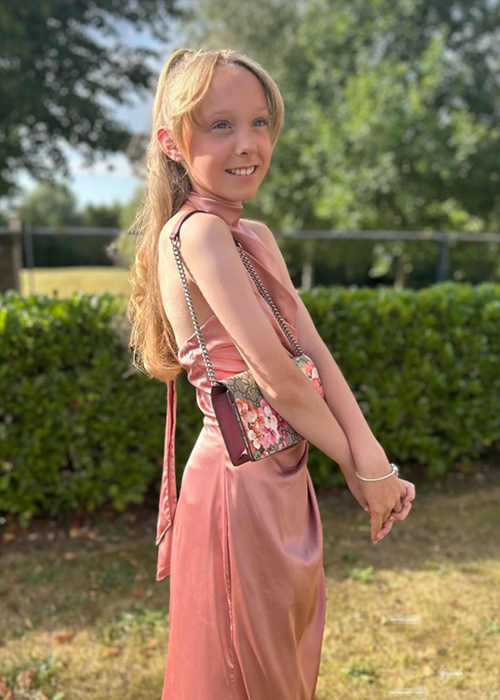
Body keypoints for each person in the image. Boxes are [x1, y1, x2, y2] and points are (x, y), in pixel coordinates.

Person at [127, 47, 416, 700]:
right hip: (239, 486)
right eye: (221, 125)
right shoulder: (197, 234)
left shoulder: (252, 234)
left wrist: (370, 459)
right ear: (172, 144)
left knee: (281, 665)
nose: (248, 143)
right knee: (250, 677)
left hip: (282, 478)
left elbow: (313, 353)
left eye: (260, 122)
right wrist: (363, 470)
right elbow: (277, 377)